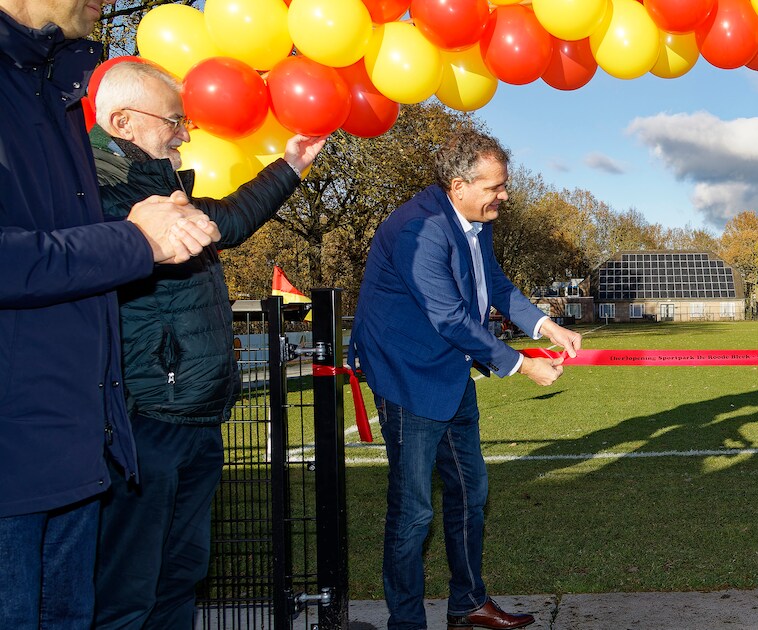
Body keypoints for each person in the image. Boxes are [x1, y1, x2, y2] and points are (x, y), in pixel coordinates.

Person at [0, 1, 222, 627]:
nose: (183, 134)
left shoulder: (57, 91)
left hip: (76, 448)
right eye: (173, 121)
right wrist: (133, 239)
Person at [87, 61, 327, 629]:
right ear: (122, 122)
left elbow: (230, 220)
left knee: (181, 574)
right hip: (146, 422)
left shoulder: (159, 190)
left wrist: (291, 165)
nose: (185, 134)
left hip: (195, 417)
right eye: (173, 121)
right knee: (128, 588)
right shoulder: (93, 192)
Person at [350, 130, 582, 630]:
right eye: (495, 187)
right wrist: (523, 365)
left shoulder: (477, 219)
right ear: (459, 185)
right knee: (413, 512)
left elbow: (492, 282)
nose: (504, 195)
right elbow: (450, 318)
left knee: (471, 493)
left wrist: (547, 326)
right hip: (409, 379)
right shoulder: (418, 230)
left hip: (452, 374)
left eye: (504, 185)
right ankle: (406, 623)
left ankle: (468, 604)